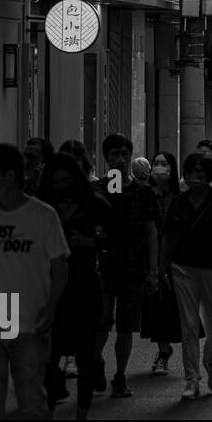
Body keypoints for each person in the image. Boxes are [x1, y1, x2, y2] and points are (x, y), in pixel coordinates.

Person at [0, 143, 69, 420]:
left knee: (32, 401)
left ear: (8, 176)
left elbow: (60, 266)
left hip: (31, 325)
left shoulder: (43, 216)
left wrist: (52, 308)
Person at [162, 153, 212, 400]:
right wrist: (160, 270)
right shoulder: (178, 202)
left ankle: (211, 362)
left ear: (209, 176)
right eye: (190, 172)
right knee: (189, 325)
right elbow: (169, 238)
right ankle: (191, 379)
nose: (194, 177)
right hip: (183, 269)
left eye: (200, 172)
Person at [37, 153, 108, 420]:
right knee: (48, 355)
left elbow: (111, 238)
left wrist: (90, 242)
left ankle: (81, 414)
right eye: (56, 182)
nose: (61, 186)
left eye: (66, 180)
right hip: (50, 286)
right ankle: (51, 405)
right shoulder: (43, 207)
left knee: (86, 355)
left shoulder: (94, 203)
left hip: (85, 284)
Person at [94, 133, 158, 398]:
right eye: (114, 154)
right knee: (101, 321)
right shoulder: (98, 190)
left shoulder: (143, 192)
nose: (120, 159)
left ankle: (120, 375)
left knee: (126, 326)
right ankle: (96, 363)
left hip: (133, 267)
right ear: (105, 158)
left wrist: (153, 270)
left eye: (124, 154)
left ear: (131, 157)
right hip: (104, 267)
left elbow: (151, 231)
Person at [144, 151, 184, 376]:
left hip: (175, 257)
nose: (158, 167)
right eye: (155, 163)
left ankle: (174, 353)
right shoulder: (146, 194)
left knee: (172, 305)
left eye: (163, 164)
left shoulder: (179, 196)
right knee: (157, 306)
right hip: (150, 255)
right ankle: (163, 350)